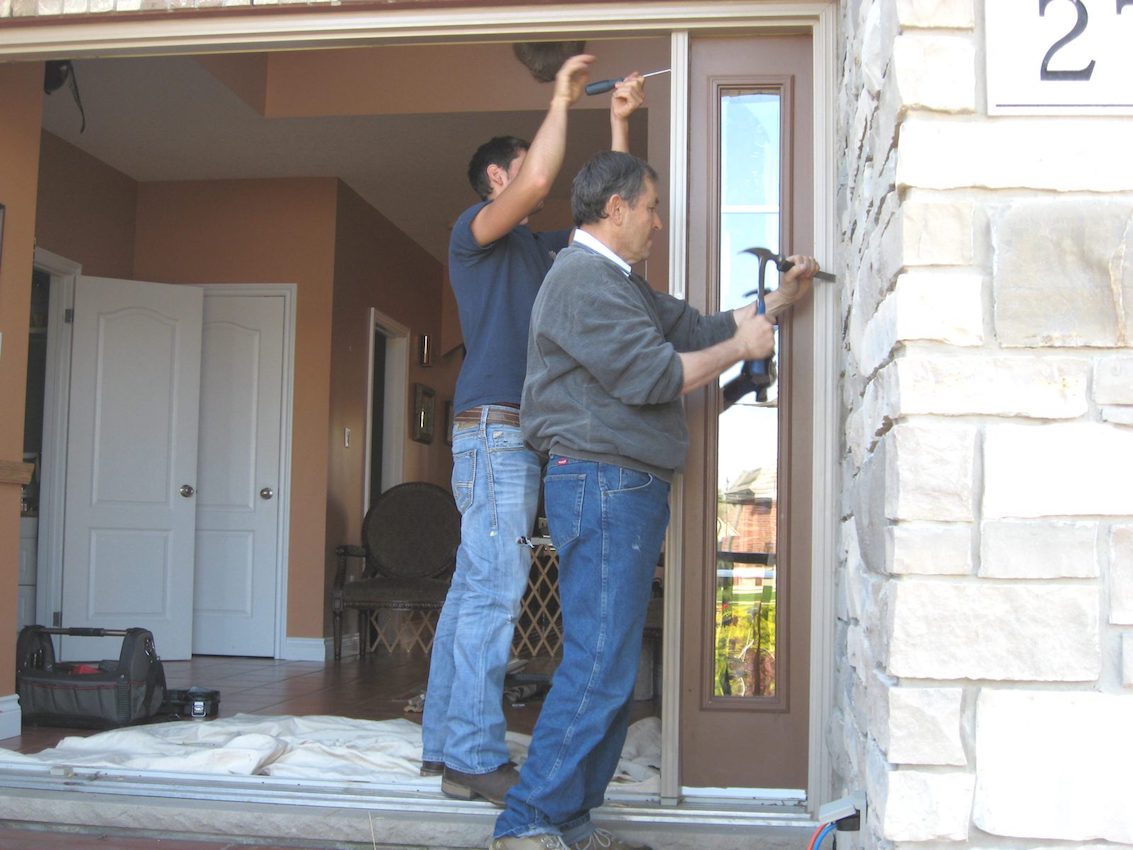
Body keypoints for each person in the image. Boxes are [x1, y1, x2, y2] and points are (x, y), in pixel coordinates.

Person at [490, 151, 819, 850]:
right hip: (604, 481)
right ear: (615, 209)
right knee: (597, 665)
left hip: (620, 483)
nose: (658, 222)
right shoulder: (581, 280)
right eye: (650, 208)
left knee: (607, 668)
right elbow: (653, 374)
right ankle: (523, 826)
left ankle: (568, 820)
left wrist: (777, 303)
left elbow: (696, 329)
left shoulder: (618, 284)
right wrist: (742, 348)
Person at [420, 56, 646, 808]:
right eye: (519, 172)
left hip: (515, 436)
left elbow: (605, 224)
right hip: (493, 433)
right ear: (496, 181)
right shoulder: (474, 236)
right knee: (492, 591)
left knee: (470, 590)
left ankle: (444, 745)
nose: (533, 181)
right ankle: (474, 757)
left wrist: (617, 119)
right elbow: (544, 182)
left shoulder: (543, 251)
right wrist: (558, 96)